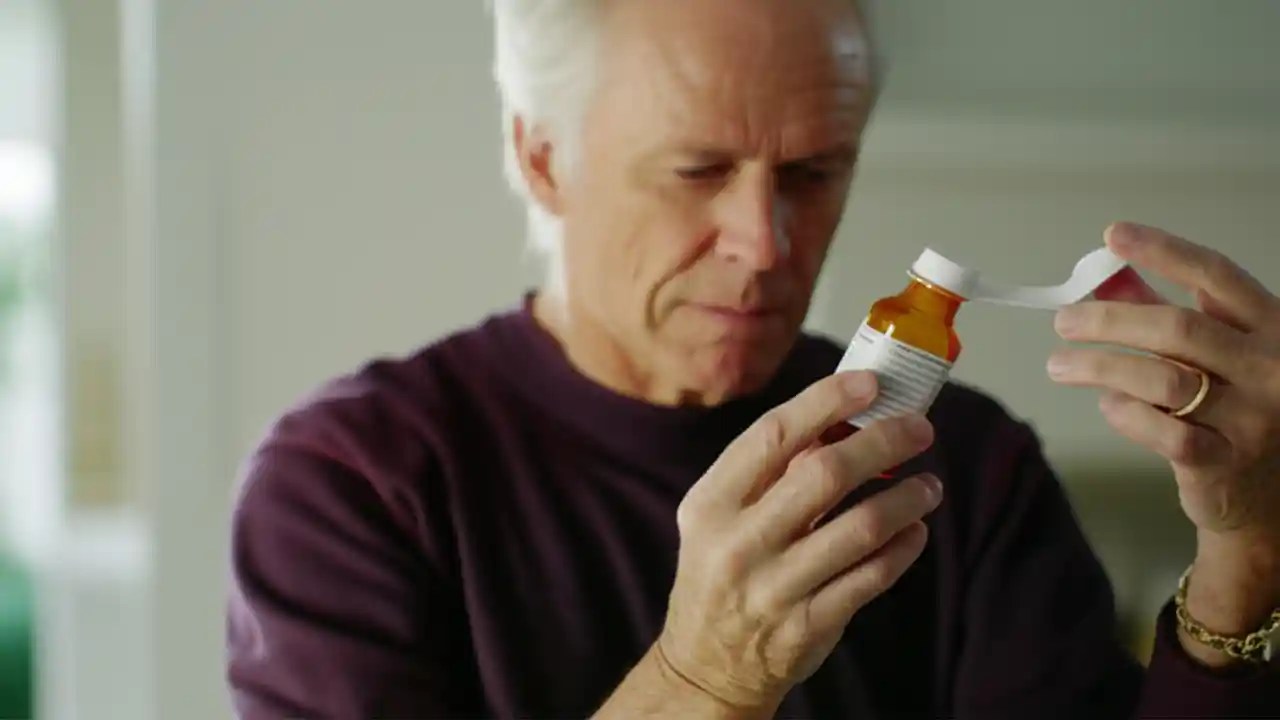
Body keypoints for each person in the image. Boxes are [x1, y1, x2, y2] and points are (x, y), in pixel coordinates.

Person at [224, 0, 1280, 717]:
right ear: (541, 156)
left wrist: (1244, 551)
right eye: (695, 171)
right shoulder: (352, 486)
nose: (765, 244)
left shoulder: (963, 464)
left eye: (813, 173)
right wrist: (704, 679)